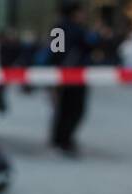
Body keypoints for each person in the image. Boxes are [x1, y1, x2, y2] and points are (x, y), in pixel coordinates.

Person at [47, 0, 95, 156]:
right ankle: (63, 140)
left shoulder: (59, 28)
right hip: (72, 75)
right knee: (73, 109)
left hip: (63, 74)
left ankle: (60, 139)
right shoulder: (74, 29)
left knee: (63, 109)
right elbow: (59, 52)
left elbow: (55, 53)